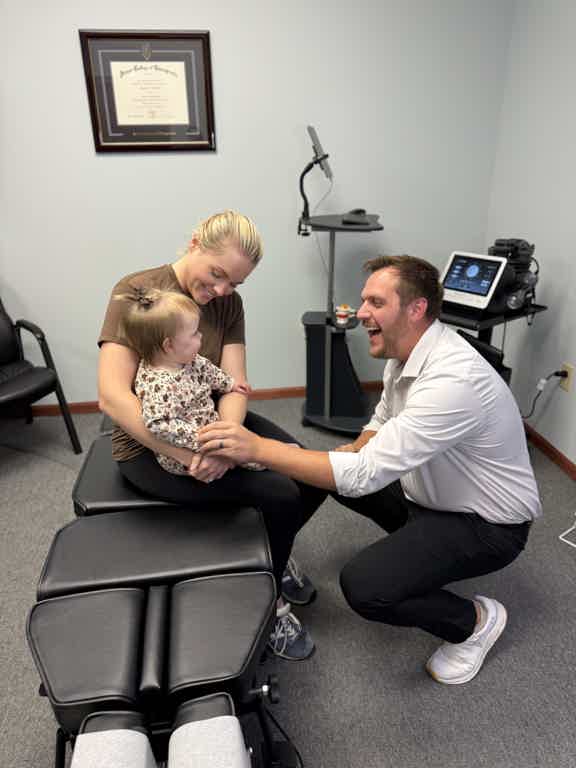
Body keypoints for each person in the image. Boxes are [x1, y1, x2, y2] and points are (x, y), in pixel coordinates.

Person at [198, 254, 542, 685]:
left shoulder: (453, 381)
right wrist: (344, 455)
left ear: (415, 309)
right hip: (429, 492)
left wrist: (258, 448)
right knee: (326, 466)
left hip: (487, 525)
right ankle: (272, 559)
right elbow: (379, 425)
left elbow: (361, 475)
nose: (361, 313)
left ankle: (474, 623)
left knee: (366, 585)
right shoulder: (403, 355)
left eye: (375, 303)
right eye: (364, 301)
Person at [98, 210, 326, 661]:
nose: (221, 292)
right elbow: (112, 398)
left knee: (309, 470)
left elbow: (235, 380)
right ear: (197, 241)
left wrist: (228, 438)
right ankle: (268, 601)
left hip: (211, 422)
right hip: (151, 446)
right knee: (281, 495)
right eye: (218, 275)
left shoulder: (227, 304)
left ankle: (266, 557)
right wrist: (191, 454)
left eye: (234, 284)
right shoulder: (137, 292)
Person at [118, 288, 264, 473]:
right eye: (194, 333)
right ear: (169, 345)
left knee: (241, 441)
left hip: (208, 423)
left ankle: (260, 455)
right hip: (186, 450)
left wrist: (230, 383)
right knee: (239, 453)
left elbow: (208, 370)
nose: (201, 336)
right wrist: (203, 440)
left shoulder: (188, 358)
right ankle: (264, 460)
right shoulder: (159, 385)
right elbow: (159, 425)